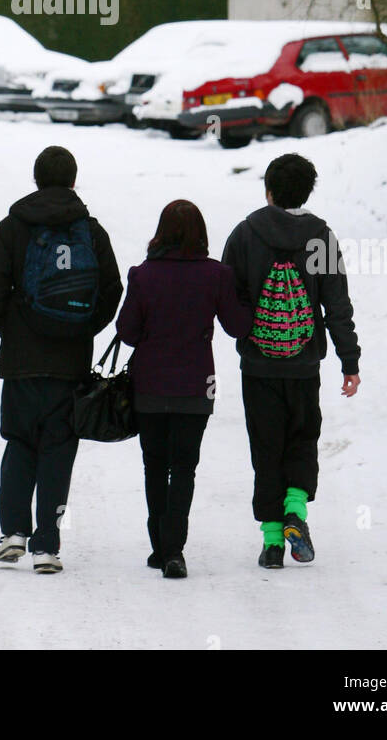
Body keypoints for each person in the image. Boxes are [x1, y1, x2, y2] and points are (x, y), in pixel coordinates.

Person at [0, 145, 122, 574]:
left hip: (22, 362)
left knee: (20, 442)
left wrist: (14, 326)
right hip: (70, 363)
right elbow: (112, 290)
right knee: (58, 449)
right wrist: (81, 328)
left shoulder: (13, 226)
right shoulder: (90, 231)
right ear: (73, 180)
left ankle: (13, 534)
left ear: (36, 178)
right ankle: (47, 547)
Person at [222, 152, 361, 570]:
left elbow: (229, 302)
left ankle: (271, 543)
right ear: (308, 191)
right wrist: (348, 360)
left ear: (268, 190)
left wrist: (247, 331)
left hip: (259, 366)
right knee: (302, 437)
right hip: (303, 364)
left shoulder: (245, 235)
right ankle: (295, 511)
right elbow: (337, 304)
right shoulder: (320, 238)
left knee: (266, 447)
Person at [115, 199, 252, 579]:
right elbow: (238, 327)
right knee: (185, 467)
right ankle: (175, 549)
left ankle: (160, 546)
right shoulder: (217, 275)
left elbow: (125, 332)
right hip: (197, 386)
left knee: (154, 466)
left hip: (150, 385)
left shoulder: (143, 275)